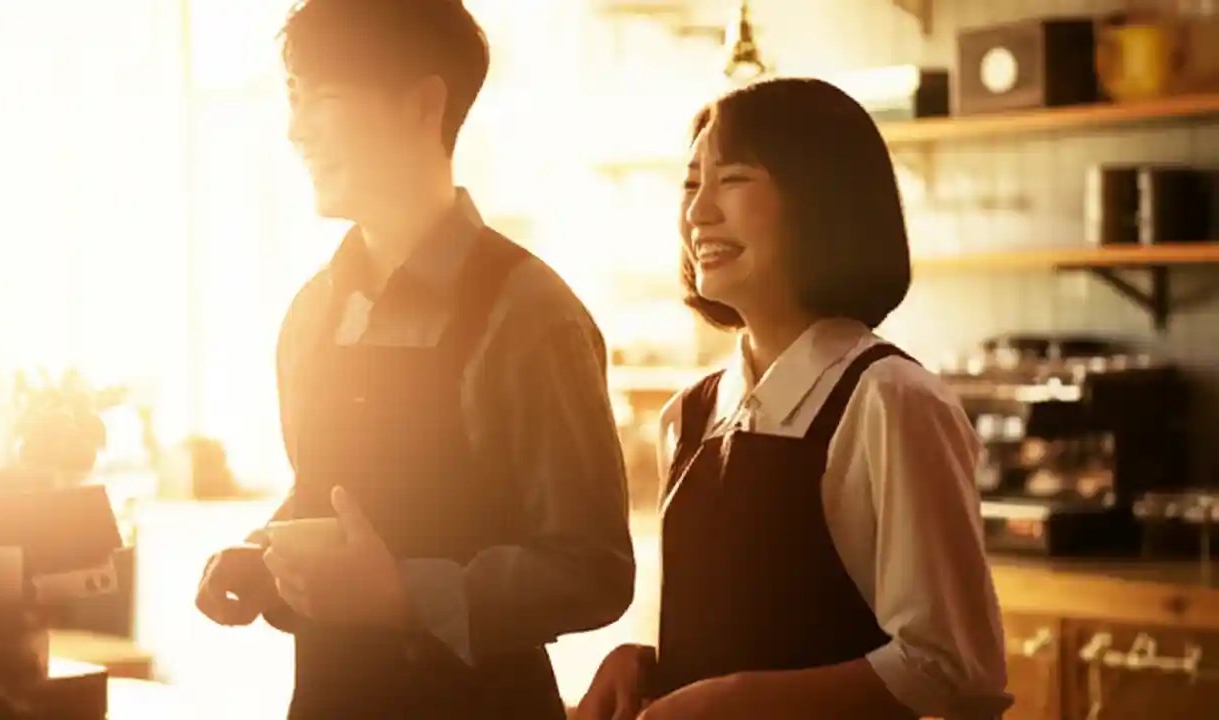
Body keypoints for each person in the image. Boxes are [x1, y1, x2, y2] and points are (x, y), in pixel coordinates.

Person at [194, 1, 635, 717]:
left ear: (423, 104)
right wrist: (268, 556)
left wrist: (403, 594)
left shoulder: (529, 313)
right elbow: (327, 497)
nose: (295, 128)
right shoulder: (313, 310)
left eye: (323, 99)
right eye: (293, 98)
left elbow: (594, 570)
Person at [577, 78, 1012, 720]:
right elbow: (743, 631)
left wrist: (737, 701)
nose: (698, 213)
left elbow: (947, 665)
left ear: (821, 198)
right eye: (691, 184)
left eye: (732, 179)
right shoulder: (691, 414)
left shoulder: (888, 400)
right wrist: (647, 664)